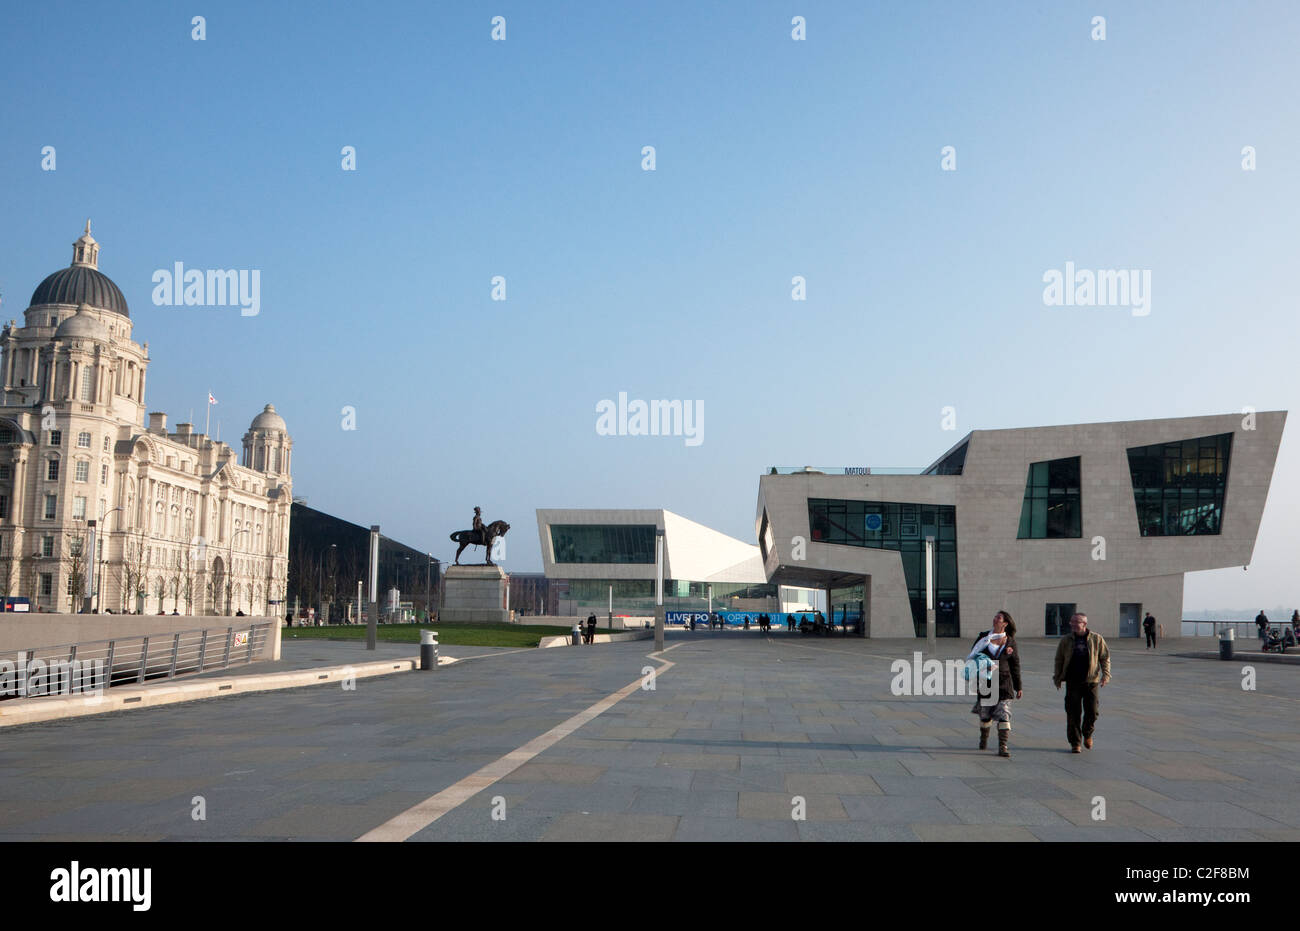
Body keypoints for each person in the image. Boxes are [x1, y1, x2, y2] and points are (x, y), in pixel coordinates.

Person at [1052, 613, 1111, 752]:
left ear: (1084, 624)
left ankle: (1087, 734)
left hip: (1091, 681)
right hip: (1073, 682)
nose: (1072, 624)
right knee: (1073, 713)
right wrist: (1058, 677)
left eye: (1076, 622)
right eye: (1071, 622)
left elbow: (1104, 657)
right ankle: (1075, 743)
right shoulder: (1066, 640)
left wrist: (1106, 675)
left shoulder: (1096, 639)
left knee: (1092, 712)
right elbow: (1059, 659)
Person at [968, 611, 1022, 758]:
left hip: (1004, 682)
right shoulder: (984, 637)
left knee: (1004, 714)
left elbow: (1015, 664)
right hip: (986, 681)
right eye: (995, 617)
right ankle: (984, 738)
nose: (995, 619)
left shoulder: (1010, 641)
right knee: (985, 715)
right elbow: (973, 655)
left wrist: (1019, 686)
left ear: (1005, 623)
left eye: (998, 618)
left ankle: (1003, 746)